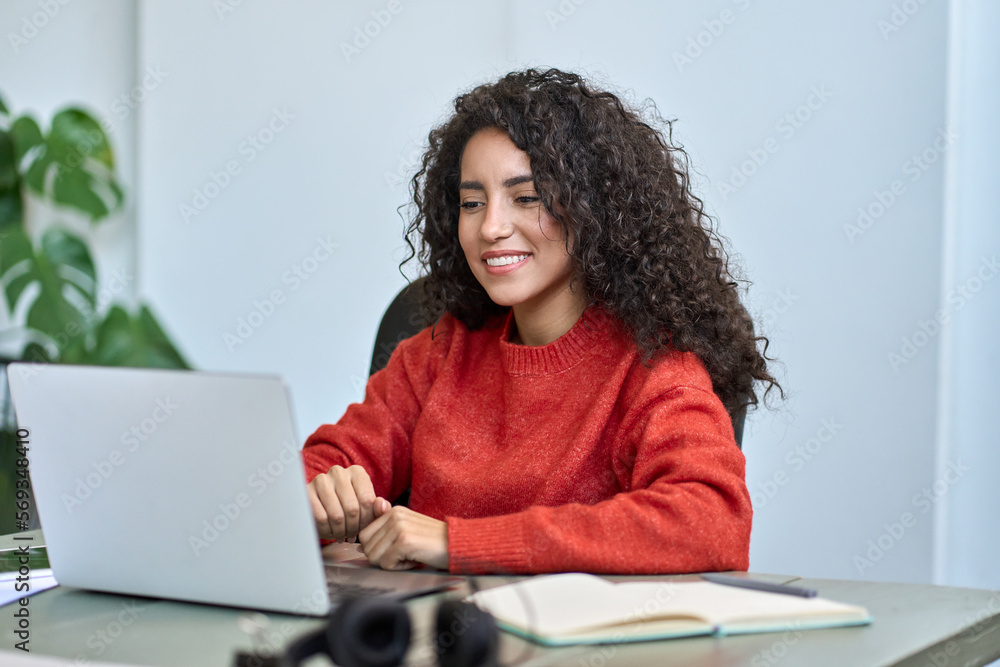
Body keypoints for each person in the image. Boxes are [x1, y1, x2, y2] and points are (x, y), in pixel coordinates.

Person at [301, 68, 781, 575]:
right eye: (472, 202)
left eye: (526, 197)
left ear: (593, 208)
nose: (491, 227)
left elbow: (710, 524)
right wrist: (321, 501)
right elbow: (305, 479)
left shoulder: (653, 366)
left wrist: (457, 542)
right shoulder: (438, 353)